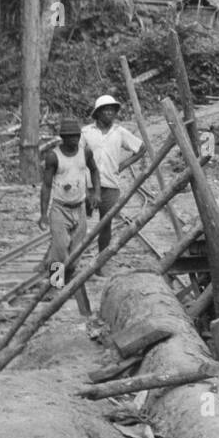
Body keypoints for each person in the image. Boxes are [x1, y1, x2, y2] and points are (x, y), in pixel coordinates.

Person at [38, 118, 100, 319]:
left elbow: (95, 171)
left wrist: (96, 193)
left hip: (79, 206)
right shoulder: (53, 157)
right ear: (63, 138)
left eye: (76, 136)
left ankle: (70, 280)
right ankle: (56, 286)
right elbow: (46, 186)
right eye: (70, 137)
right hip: (59, 208)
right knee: (59, 248)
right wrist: (43, 214)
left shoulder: (85, 152)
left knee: (76, 249)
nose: (74, 140)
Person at [81, 94, 141, 274]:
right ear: (97, 113)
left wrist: (122, 165)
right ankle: (68, 263)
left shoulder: (120, 132)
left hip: (111, 185)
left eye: (112, 110)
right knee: (77, 225)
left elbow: (141, 148)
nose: (109, 113)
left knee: (105, 225)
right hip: (88, 186)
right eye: (105, 110)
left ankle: (100, 263)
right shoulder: (86, 133)